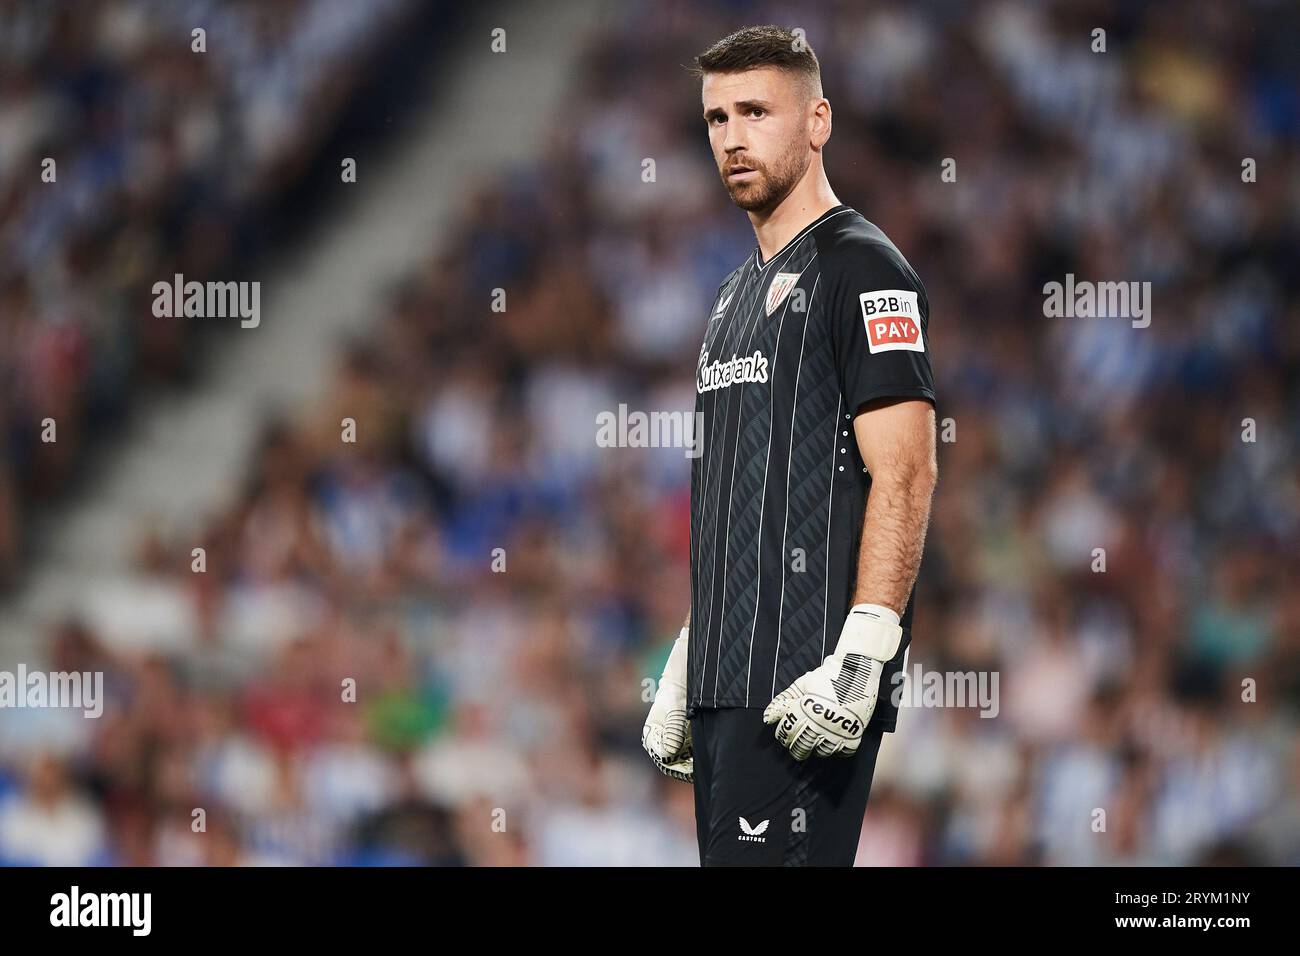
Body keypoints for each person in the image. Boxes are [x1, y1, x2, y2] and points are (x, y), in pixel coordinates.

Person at [642, 24, 938, 866]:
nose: (733, 137)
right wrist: (696, 647)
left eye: (757, 112)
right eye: (716, 118)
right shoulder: (732, 296)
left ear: (819, 121)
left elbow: (908, 471)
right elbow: (744, 497)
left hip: (809, 682)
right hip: (728, 681)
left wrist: (868, 647)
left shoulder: (864, 269)